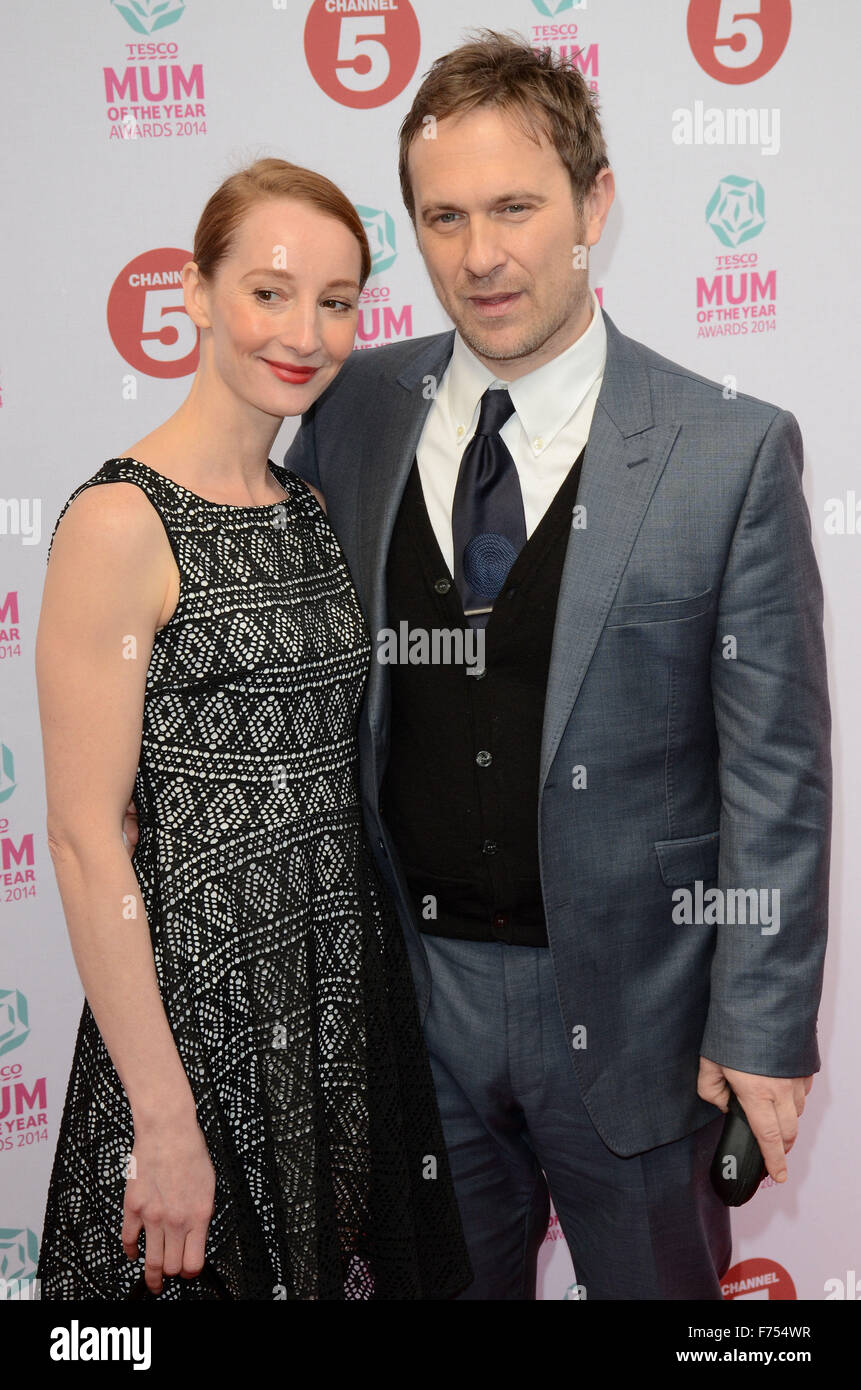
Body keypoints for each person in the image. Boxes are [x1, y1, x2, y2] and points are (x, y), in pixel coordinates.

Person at [279, 31, 832, 1299]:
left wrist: (759, 1028)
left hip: (642, 1019)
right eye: (444, 217)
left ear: (596, 202)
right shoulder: (351, 409)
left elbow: (779, 773)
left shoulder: (726, 450)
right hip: (417, 1009)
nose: (481, 256)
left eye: (518, 207)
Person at [35, 157, 471, 1301]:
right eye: (269, 291)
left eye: (337, 301)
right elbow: (85, 841)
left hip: (337, 1010)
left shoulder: (312, 513)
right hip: (195, 1023)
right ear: (192, 290)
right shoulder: (120, 522)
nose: (306, 331)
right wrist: (164, 1117)